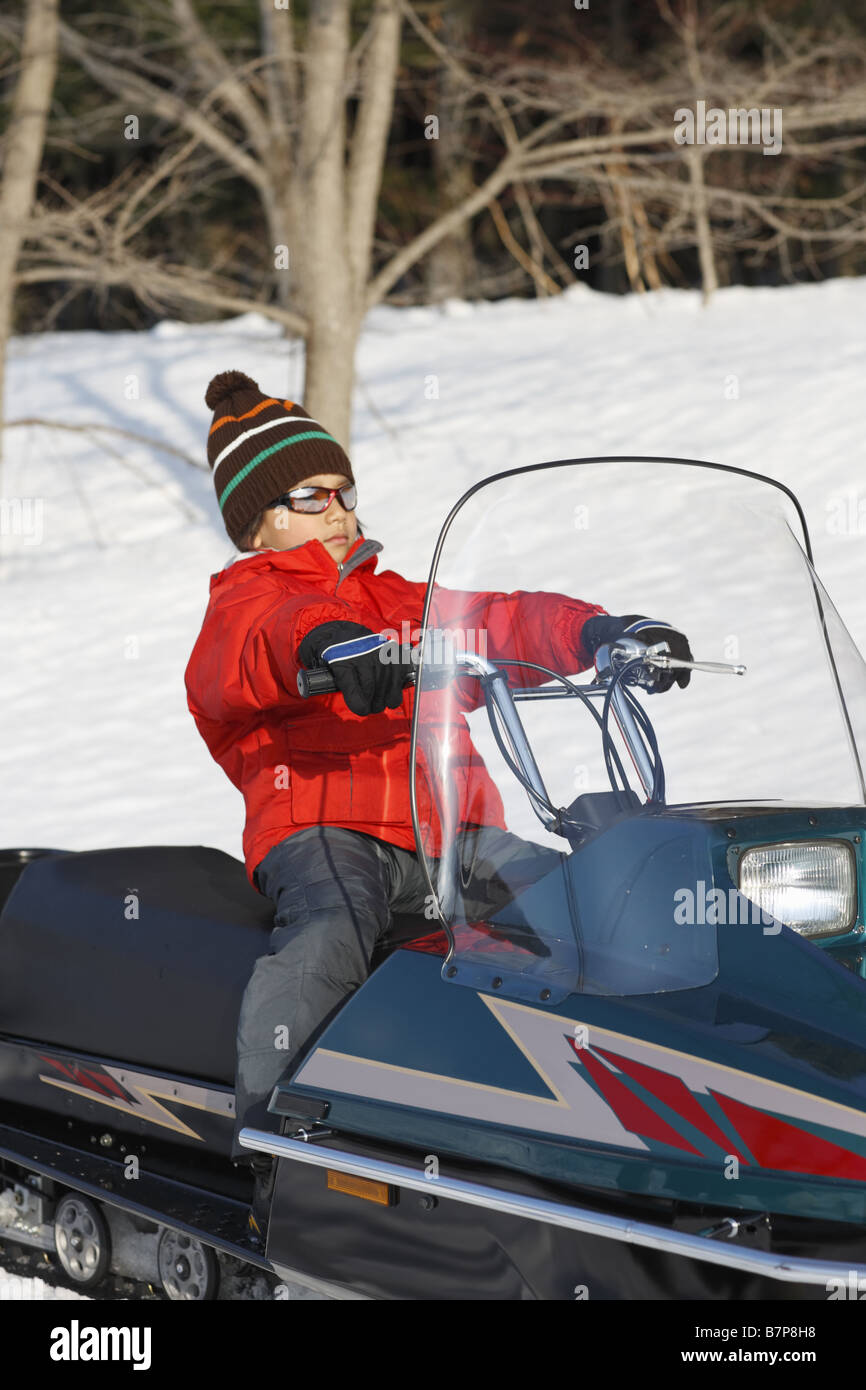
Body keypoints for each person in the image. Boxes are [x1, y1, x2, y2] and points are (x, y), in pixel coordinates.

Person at [184, 369, 693, 1240]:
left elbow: (499, 619)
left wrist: (600, 633)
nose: (339, 508)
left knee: (590, 901)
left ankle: (658, 1118)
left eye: (344, 489)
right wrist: (333, 645)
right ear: (260, 520)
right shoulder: (247, 602)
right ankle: (277, 1145)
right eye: (312, 495)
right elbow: (252, 651)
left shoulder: (399, 602)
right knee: (324, 940)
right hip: (322, 830)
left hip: (452, 834)